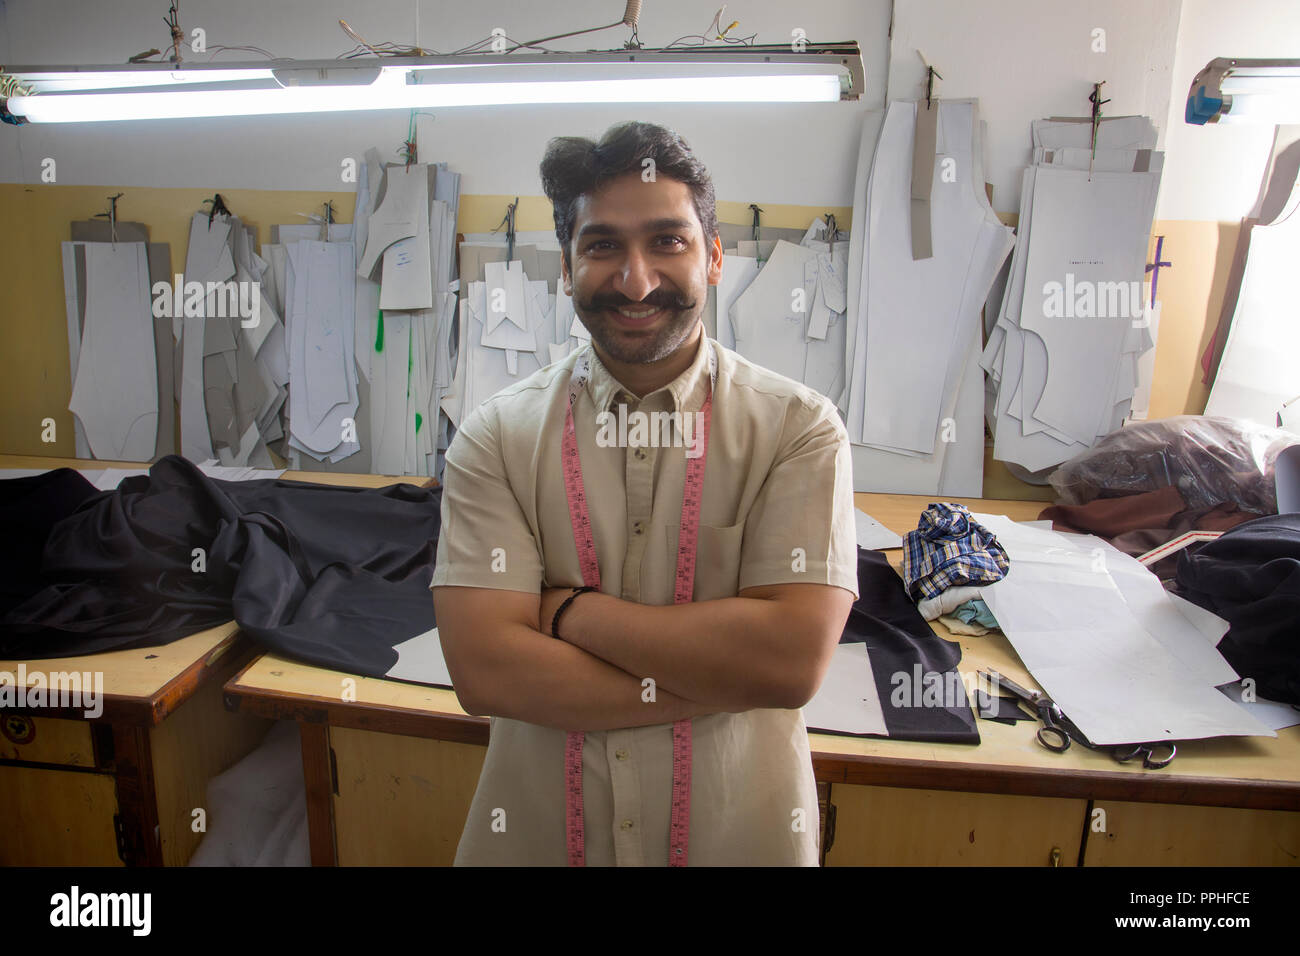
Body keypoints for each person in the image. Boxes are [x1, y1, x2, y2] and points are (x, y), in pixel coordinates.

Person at [431, 121, 858, 866]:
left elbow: (789, 663)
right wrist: (726, 672)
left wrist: (570, 613)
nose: (635, 279)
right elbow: (485, 673)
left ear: (715, 256)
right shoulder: (495, 439)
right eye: (603, 246)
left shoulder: (798, 431)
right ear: (565, 267)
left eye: (668, 241)